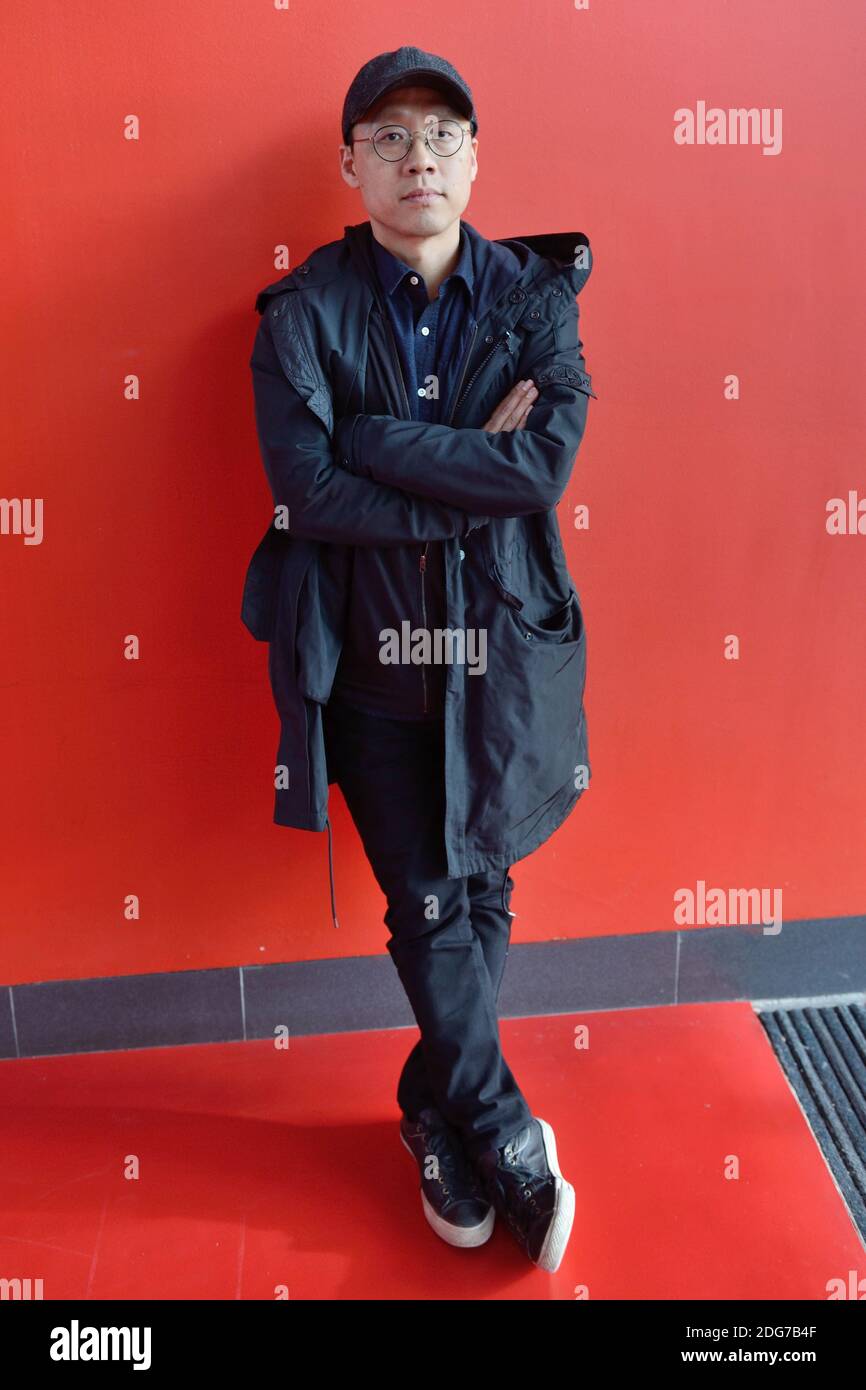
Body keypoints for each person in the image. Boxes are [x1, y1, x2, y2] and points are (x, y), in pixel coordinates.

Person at [242, 45, 596, 1274]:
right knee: (430, 899)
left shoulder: (531, 297)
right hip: (377, 656)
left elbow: (538, 468)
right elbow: (306, 489)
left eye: (441, 135)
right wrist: (451, 481)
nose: (418, 158)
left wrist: (377, 438)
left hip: (499, 653)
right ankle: (498, 1127)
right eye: (388, 137)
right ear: (350, 163)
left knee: (481, 891)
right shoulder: (300, 315)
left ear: (473, 158)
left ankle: (427, 1110)